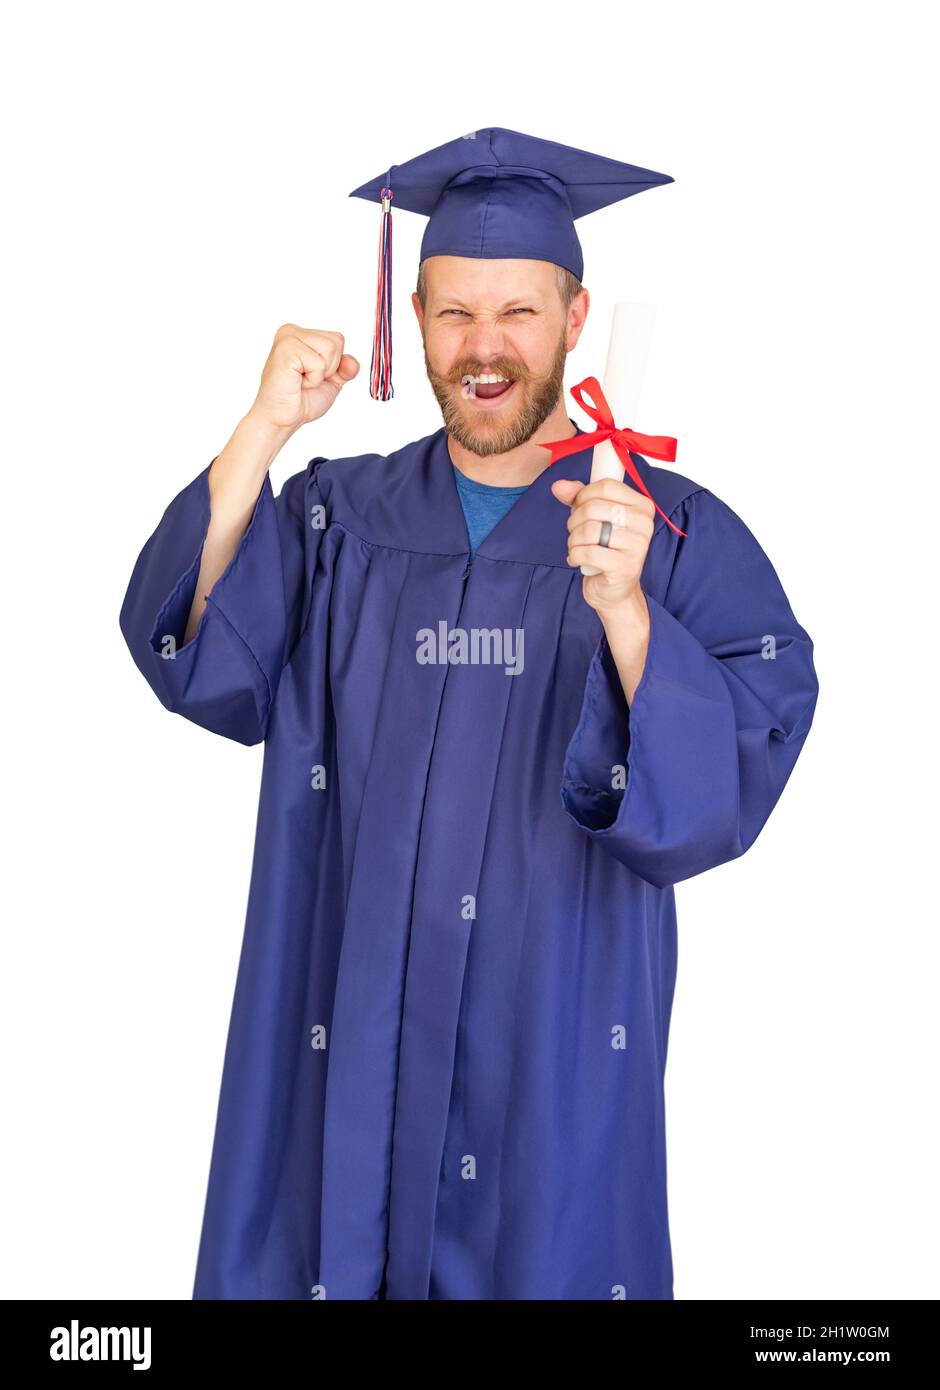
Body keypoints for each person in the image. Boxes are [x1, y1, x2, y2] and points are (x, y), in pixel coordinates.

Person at [119, 128, 819, 1300]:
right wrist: (264, 428)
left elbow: (726, 786)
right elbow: (201, 663)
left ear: (575, 315)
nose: (483, 349)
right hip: (350, 1025)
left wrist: (630, 617)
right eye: (451, 313)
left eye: (518, 313)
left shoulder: (667, 527)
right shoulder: (340, 513)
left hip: (546, 1043)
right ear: (415, 315)